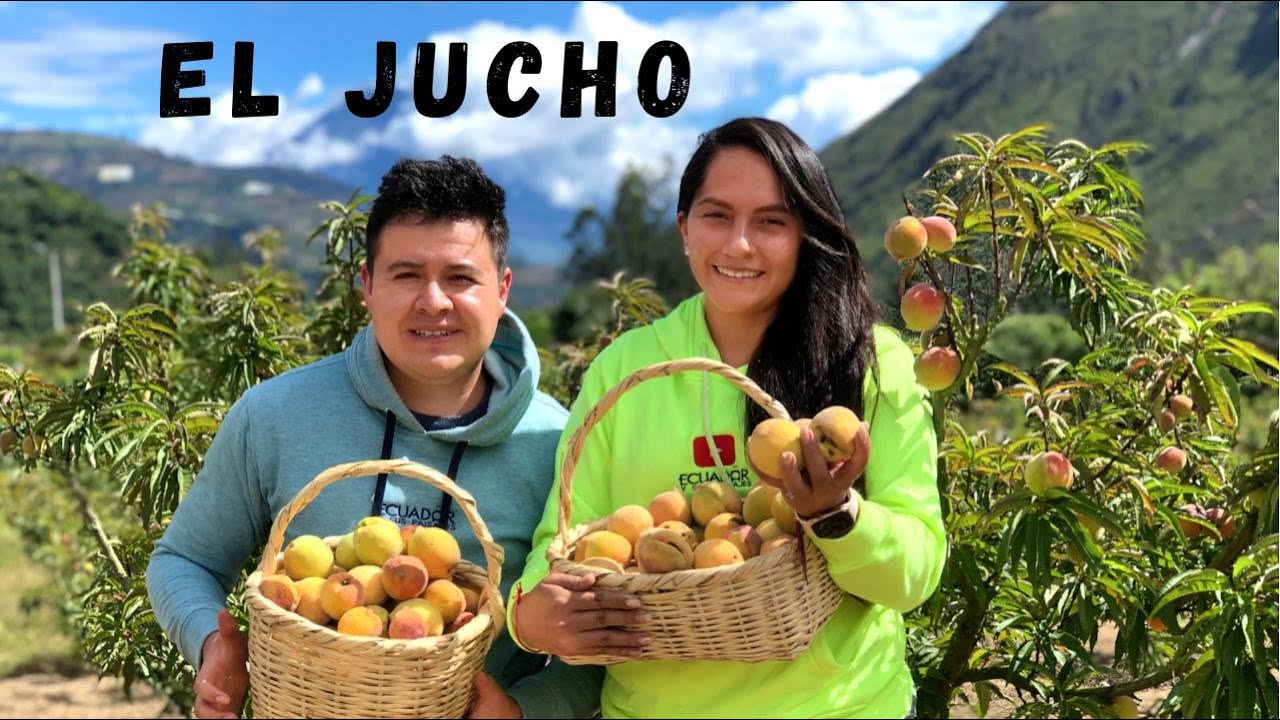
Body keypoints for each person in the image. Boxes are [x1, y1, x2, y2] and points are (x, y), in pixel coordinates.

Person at [508, 117, 946, 718]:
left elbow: (915, 575)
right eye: (717, 216)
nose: (739, 244)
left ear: (805, 235)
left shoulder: (870, 362)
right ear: (685, 229)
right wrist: (531, 616)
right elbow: (560, 541)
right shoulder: (627, 368)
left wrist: (837, 516)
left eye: (771, 221)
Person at [146, 156, 602, 719]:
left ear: (502, 289)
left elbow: (598, 644)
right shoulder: (275, 414)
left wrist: (524, 710)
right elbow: (185, 559)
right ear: (367, 285)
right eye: (406, 274)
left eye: (460, 277)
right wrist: (212, 644)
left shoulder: (561, 442)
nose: (433, 301)